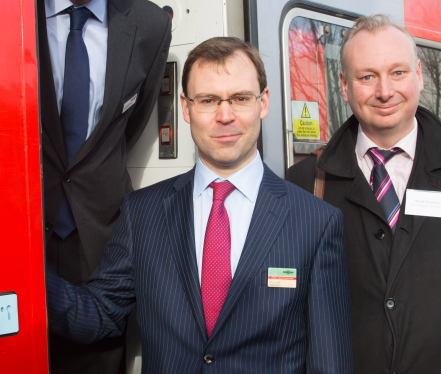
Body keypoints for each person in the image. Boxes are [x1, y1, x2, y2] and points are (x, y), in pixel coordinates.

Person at [46, 37, 353, 374]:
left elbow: (329, 363)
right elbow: (99, 313)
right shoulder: (142, 213)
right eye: (208, 100)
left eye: (240, 98)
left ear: (263, 103)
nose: (225, 116)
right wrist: (21, 274)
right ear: (186, 107)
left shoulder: (316, 222)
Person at [286, 14, 441, 373]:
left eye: (398, 73)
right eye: (367, 77)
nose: (385, 91)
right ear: (344, 86)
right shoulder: (304, 183)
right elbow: (288, 313)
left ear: (419, 76)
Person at [35, 0, 172, 372]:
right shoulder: (1, 2)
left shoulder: (149, 24)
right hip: (11, 238)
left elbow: (123, 134)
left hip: (100, 255)